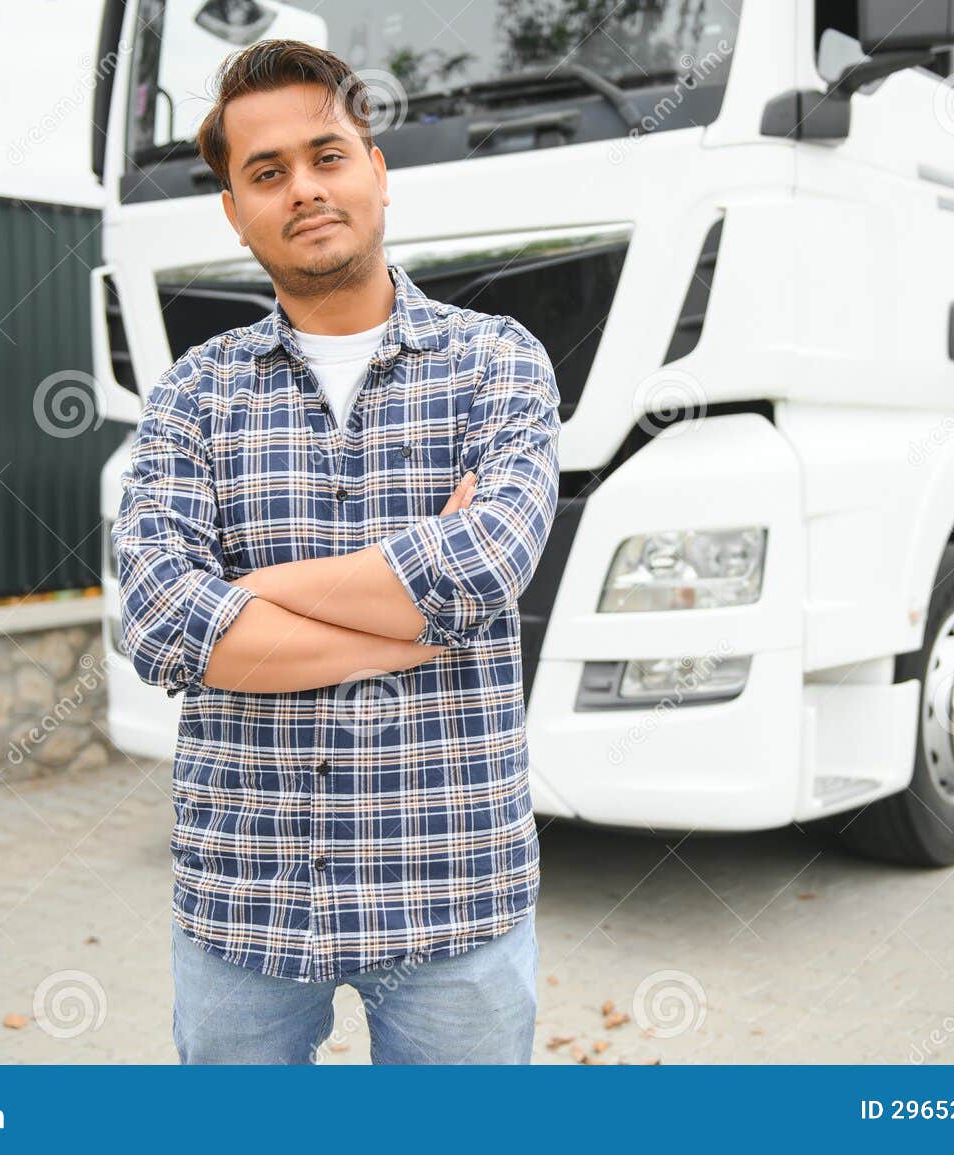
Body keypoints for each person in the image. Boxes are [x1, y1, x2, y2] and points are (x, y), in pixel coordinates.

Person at [110, 37, 561, 1065]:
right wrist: (416, 626)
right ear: (233, 207)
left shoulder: (499, 361)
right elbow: (159, 622)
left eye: (327, 155)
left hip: (452, 889)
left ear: (377, 171)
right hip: (246, 899)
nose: (302, 188)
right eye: (265, 173)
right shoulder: (194, 392)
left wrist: (252, 594)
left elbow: (486, 564)